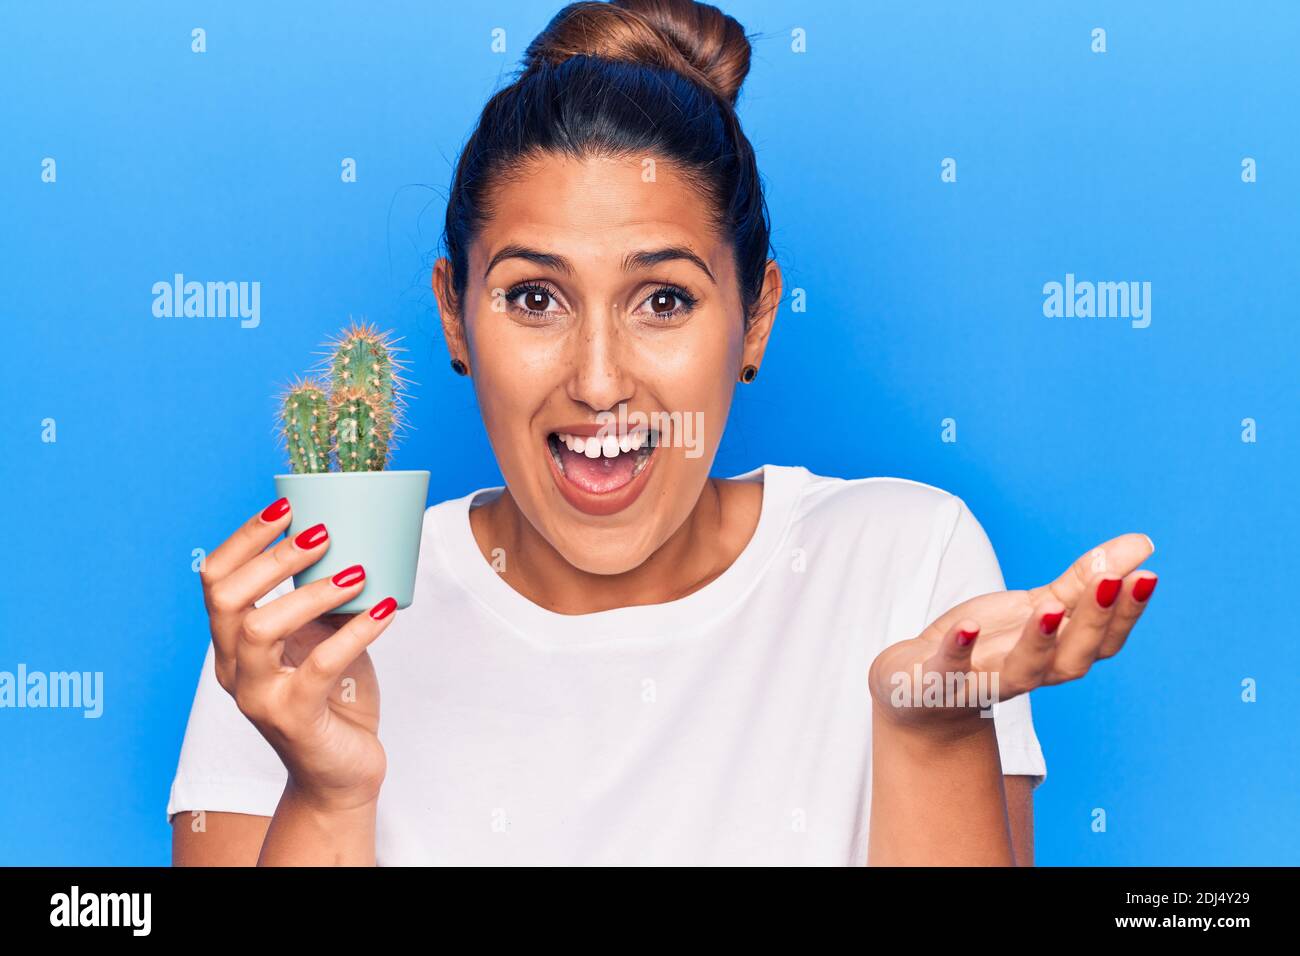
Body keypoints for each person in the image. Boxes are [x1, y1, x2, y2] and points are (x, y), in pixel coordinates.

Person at [169, 0, 1158, 866]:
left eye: (662, 299)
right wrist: (330, 790)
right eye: (533, 296)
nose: (599, 382)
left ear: (755, 316)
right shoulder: (300, 636)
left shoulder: (903, 562)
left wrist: (925, 726)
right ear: (454, 316)